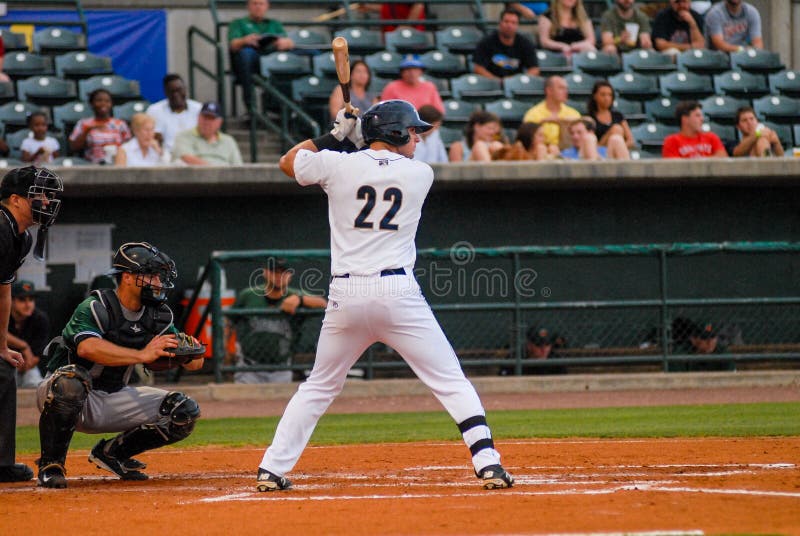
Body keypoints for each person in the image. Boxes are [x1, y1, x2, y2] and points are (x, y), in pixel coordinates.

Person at [255, 99, 514, 492]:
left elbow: (290, 162)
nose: (416, 138)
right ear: (393, 132)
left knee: (319, 385)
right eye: (410, 131)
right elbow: (374, 165)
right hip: (397, 292)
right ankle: (488, 463)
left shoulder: (339, 164)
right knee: (449, 379)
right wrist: (355, 141)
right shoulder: (420, 174)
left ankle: (271, 469)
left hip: (346, 292)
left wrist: (335, 136)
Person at [35, 242, 205, 488]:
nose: (158, 282)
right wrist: (142, 355)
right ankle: (51, 465)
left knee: (183, 411)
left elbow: (195, 364)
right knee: (71, 382)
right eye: (152, 275)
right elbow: (88, 348)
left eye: (160, 276)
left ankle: (113, 453)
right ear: (127, 277)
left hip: (113, 395)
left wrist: (188, 355)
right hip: (62, 393)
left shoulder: (158, 314)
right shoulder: (96, 306)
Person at [0, 166, 63, 483]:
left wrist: (1, 346)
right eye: (39, 195)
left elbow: (3, 290)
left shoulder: (19, 237)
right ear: (15, 199)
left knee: (3, 368)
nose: (47, 202)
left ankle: (1, 462)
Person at [231, 258, 327, 384]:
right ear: (265, 273)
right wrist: (228, 349)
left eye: (283, 272)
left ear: (290, 276)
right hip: (249, 368)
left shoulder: (295, 295)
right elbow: (229, 322)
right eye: (274, 271)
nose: (279, 276)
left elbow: (323, 304)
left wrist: (300, 300)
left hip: (282, 369)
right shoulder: (248, 295)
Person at [228, 0, 295, 111]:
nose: (258, 7)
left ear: (267, 6)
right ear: (248, 6)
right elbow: (233, 45)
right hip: (249, 63)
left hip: (271, 58)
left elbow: (288, 41)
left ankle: (282, 108)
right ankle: (251, 107)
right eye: (254, 3)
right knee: (246, 54)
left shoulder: (274, 24)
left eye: (261, 4)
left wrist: (285, 43)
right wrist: (245, 40)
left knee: (292, 56)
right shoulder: (238, 23)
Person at [472, 8, 540, 80]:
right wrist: (497, 81)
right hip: (491, 84)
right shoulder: (486, 42)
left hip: (516, 85)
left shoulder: (525, 43)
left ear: (517, 25)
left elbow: (534, 69)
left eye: (513, 23)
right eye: (506, 22)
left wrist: (520, 80)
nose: (509, 26)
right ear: (500, 23)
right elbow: (478, 68)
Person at [69, 88, 132, 164]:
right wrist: (87, 130)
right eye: (99, 100)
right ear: (92, 103)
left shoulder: (120, 124)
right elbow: (73, 147)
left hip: (117, 164)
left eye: (107, 101)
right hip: (92, 166)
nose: (103, 103)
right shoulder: (83, 123)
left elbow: (129, 146)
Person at [145, 73, 202, 154]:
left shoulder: (198, 109)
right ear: (165, 93)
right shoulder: (154, 110)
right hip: (167, 157)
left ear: (185, 89)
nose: (176, 94)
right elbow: (152, 138)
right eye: (172, 91)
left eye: (179, 90)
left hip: (195, 154)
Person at [172, 102, 243, 165]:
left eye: (211, 119)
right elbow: (186, 158)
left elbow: (238, 166)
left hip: (226, 178)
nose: (207, 122)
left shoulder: (228, 141)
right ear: (198, 117)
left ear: (219, 122)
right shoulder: (184, 136)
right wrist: (215, 172)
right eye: (205, 117)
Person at [8, 280, 49, 388]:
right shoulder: (3, 314)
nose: (28, 304)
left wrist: (26, 364)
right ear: (11, 301)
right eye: (22, 300)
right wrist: (23, 346)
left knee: (36, 383)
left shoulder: (40, 319)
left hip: (27, 367)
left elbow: (36, 356)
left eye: (31, 299)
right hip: (5, 365)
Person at [522, 75, 581, 148]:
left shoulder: (573, 113)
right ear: (549, 91)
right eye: (561, 88)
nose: (566, 92)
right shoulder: (533, 114)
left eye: (566, 88)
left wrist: (561, 122)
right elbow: (528, 140)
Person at [662, 100, 728, 158]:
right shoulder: (672, 141)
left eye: (701, 116)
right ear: (685, 119)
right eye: (697, 115)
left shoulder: (711, 137)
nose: (702, 119)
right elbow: (674, 166)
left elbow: (722, 158)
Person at [380, 56, 444, 114]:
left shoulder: (429, 87)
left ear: (421, 72)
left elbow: (439, 112)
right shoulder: (392, 87)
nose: (412, 73)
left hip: (425, 123)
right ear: (402, 72)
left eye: (415, 69)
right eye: (408, 70)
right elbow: (384, 111)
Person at [587, 80, 636, 149]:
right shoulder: (590, 118)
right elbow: (591, 142)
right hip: (600, 151)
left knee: (617, 129)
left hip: (619, 150)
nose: (607, 98)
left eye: (609, 95)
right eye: (603, 94)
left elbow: (630, 141)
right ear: (595, 96)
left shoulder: (618, 116)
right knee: (616, 129)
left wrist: (618, 148)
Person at [560, 116, 631, 160]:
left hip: (608, 179)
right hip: (583, 180)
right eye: (572, 133)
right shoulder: (566, 153)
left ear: (591, 132)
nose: (575, 136)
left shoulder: (604, 150)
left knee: (616, 139)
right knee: (589, 139)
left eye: (579, 133)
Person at [492, 122, 559, 160]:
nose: (543, 139)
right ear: (529, 136)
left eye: (544, 136)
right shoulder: (517, 151)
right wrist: (540, 155)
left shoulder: (549, 150)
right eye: (540, 135)